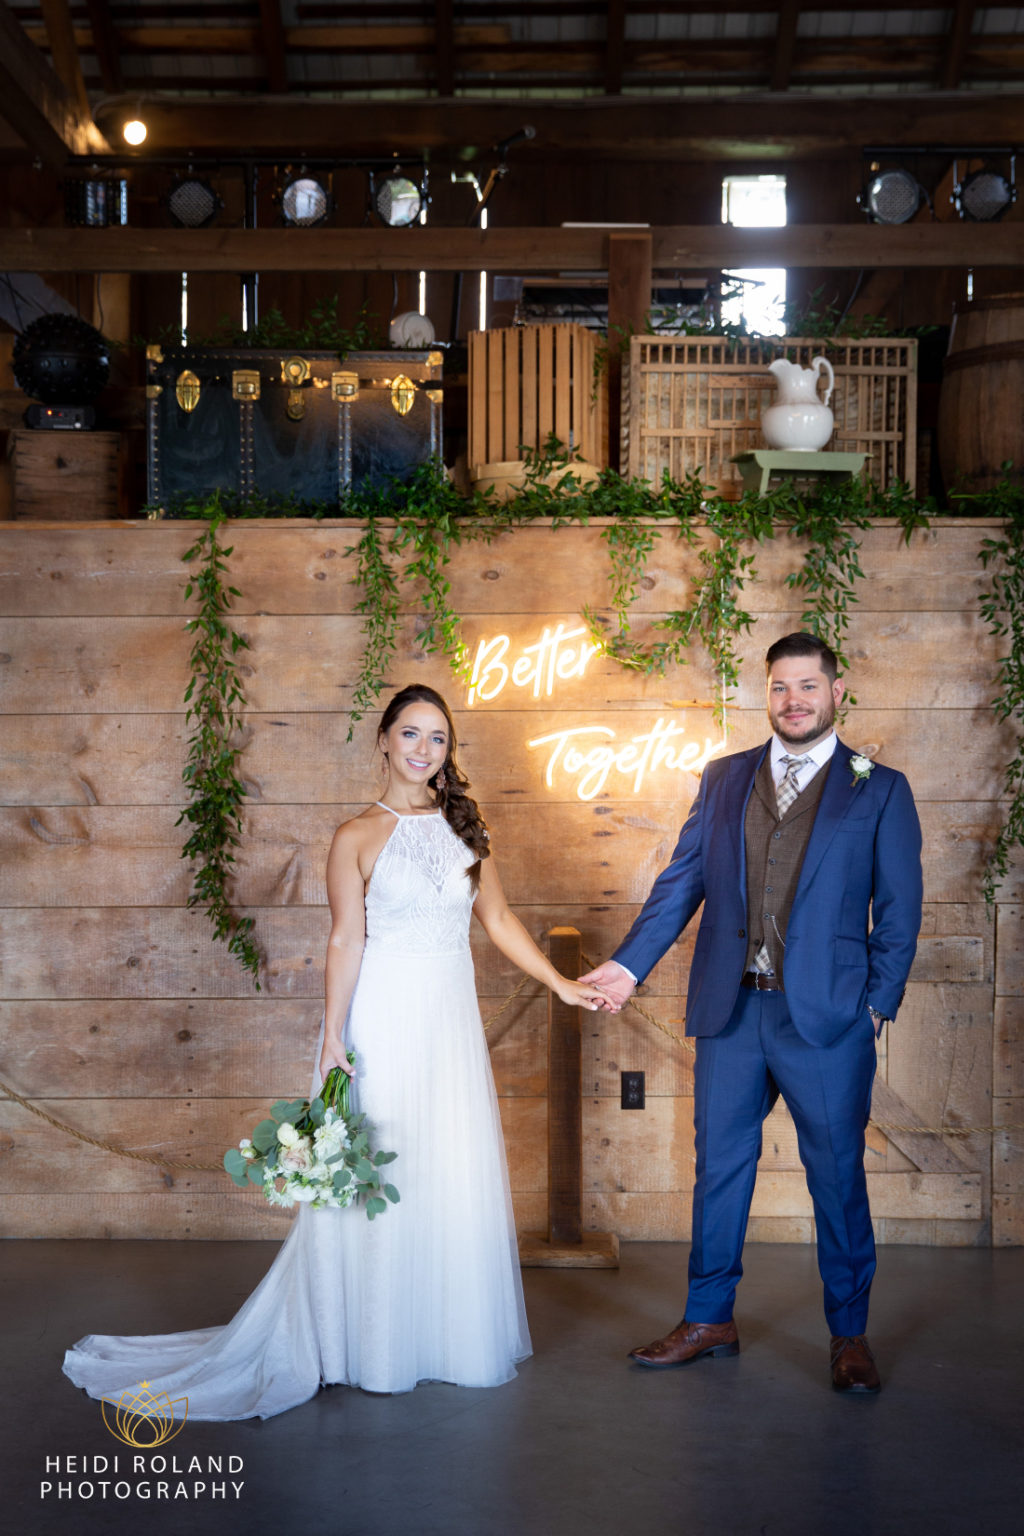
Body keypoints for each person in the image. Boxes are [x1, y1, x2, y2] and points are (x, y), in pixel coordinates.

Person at [63, 683, 606, 1419]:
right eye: (410, 733)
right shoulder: (355, 835)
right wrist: (331, 1035)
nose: (423, 749)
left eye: (438, 737)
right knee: (381, 1167)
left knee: (445, 1165)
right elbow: (346, 939)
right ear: (383, 739)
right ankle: (367, 1346)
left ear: (449, 750)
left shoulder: (467, 831)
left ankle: (442, 1340)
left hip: (447, 1022)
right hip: (383, 1017)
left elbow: (501, 918)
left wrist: (560, 984)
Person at [581, 632, 922, 1394]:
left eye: (807, 686)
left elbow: (900, 912)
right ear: (765, 693)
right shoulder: (725, 777)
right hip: (731, 1012)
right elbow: (681, 882)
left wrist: (875, 1006)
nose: (793, 701)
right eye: (779, 687)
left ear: (837, 693)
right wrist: (628, 967)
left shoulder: (880, 788)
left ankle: (849, 1334)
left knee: (836, 1177)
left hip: (826, 1021)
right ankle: (709, 1319)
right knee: (719, 1171)